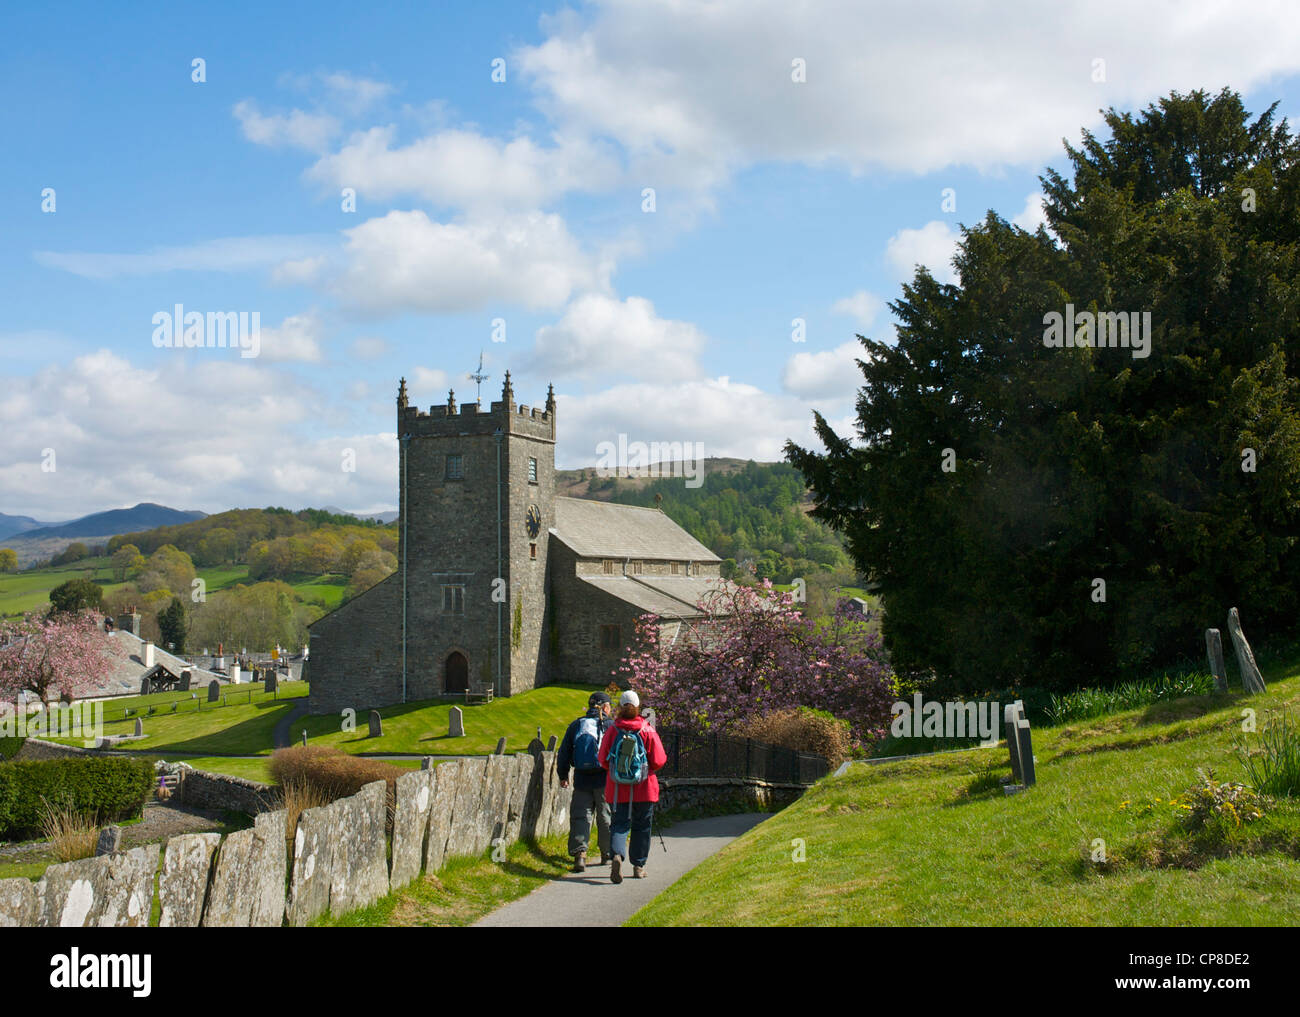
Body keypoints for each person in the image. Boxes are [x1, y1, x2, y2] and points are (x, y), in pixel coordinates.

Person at [597, 690, 667, 883]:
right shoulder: (646, 729)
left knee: (619, 824)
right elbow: (660, 759)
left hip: (618, 789)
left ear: (620, 707)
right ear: (638, 707)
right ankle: (638, 865)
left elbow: (602, 758)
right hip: (644, 788)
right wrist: (647, 769)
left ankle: (617, 855)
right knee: (642, 826)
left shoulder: (613, 730)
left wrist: (616, 771)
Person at [557, 691, 613, 872]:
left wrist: (563, 775)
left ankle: (580, 855)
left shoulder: (577, 725)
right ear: (605, 707)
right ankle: (607, 853)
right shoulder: (610, 726)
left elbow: (564, 752)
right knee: (605, 816)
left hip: (581, 777)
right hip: (605, 779)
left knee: (581, 815)